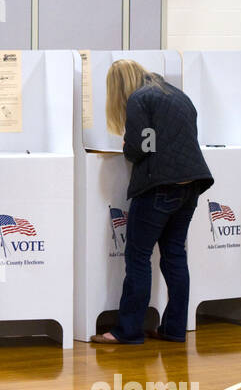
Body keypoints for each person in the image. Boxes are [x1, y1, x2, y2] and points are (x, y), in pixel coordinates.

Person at [91, 60, 213, 346]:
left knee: (138, 258)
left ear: (118, 85)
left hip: (159, 187)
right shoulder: (176, 94)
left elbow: (142, 147)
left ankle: (128, 330)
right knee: (174, 256)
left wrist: (126, 147)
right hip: (192, 184)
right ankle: (173, 329)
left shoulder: (139, 99)